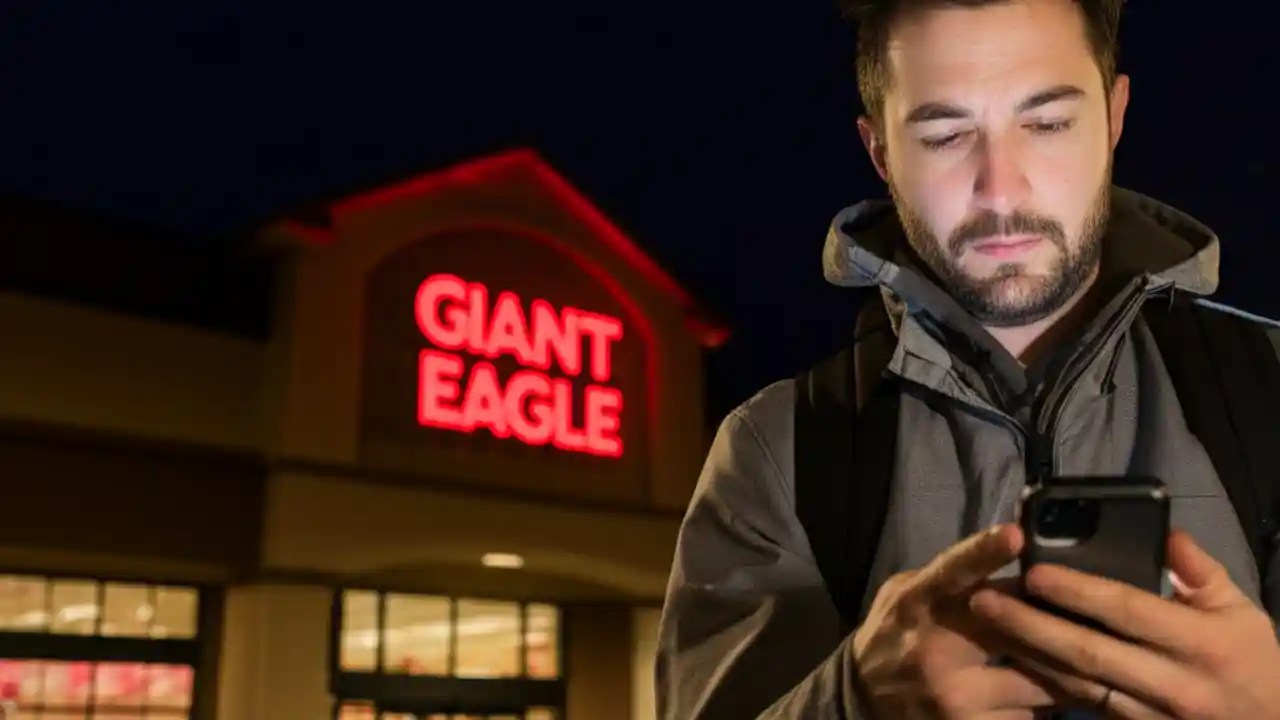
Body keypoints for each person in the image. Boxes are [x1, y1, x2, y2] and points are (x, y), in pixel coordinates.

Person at [654, 0, 1280, 718]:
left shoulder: (1270, 390)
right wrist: (852, 701)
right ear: (881, 154)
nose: (1001, 188)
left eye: (1047, 123)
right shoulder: (775, 451)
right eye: (946, 134)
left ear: (1114, 117)